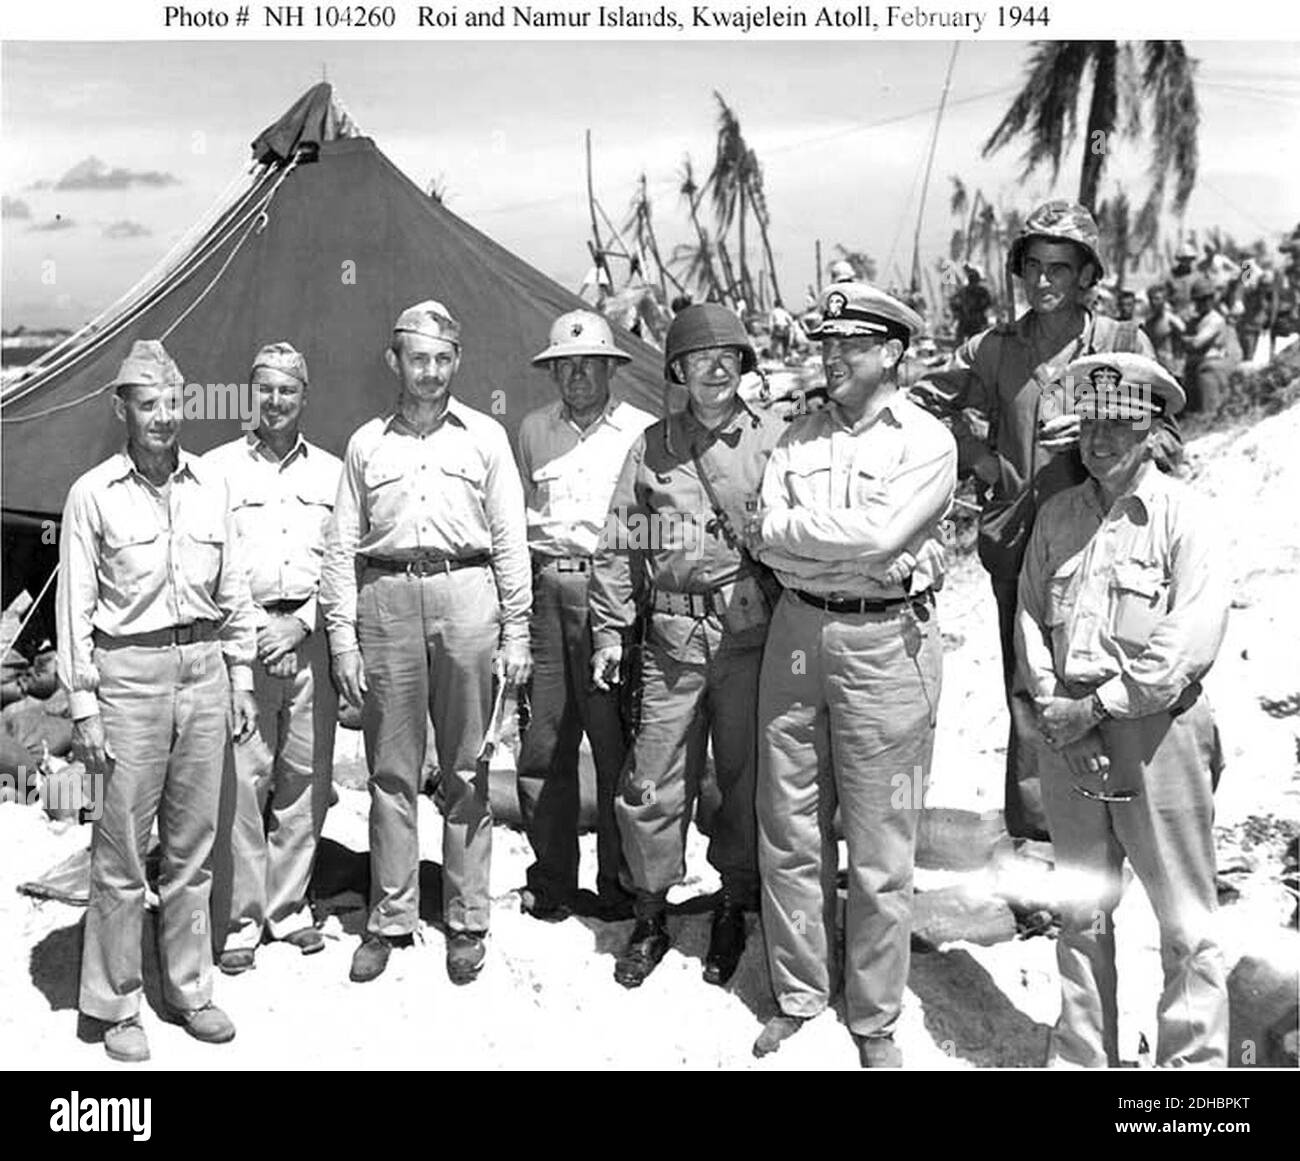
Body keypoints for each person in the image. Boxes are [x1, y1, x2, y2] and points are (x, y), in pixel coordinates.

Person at [745, 283, 955, 1068]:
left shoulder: (926, 440)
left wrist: (801, 533)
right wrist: (819, 541)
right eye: (825, 344)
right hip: (796, 628)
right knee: (789, 822)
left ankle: (873, 1015)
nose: (830, 357)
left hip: (887, 642)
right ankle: (800, 993)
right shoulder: (797, 437)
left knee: (878, 843)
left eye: (849, 345)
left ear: (893, 351)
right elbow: (764, 540)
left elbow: (883, 533)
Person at [913, 200, 1153, 841]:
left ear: (1085, 276)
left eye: (1061, 268)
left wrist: (1106, 425)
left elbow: (1169, 435)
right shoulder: (993, 350)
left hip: (1113, 546)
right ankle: (1039, 838)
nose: (1045, 282)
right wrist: (981, 461)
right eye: (1034, 267)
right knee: (1030, 690)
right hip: (1022, 548)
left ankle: (1122, 830)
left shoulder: (1122, 345)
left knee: (1114, 681)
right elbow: (914, 407)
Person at [1016, 352, 1230, 1068]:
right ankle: (1081, 1057)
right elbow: (1028, 621)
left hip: (1156, 736)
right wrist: (1056, 711)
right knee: (1080, 913)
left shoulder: (1185, 516)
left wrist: (1096, 708)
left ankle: (1190, 1078)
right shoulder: (1056, 516)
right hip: (1067, 736)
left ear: (1153, 428)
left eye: (1120, 423)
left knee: (1187, 923)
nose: (1100, 439)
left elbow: (1186, 642)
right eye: (1090, 423)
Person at [319, 300, 532, 986]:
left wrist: (518, 628)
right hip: (386, 602)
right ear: (395, 362)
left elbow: (509, 538)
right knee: (391, 770)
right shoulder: (365, 446)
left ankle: (467, 919)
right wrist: (343, 638)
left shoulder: (486, 439)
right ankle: (390, 917)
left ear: (457, 363)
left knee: (468, 766)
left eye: (443, 359)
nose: (431, 372)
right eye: (418, 358)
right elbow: (341, 547)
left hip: (468, 597)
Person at [56, 340, 257, 1063]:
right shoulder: (92, 494)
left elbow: (235, 592)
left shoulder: (212, 487)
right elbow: (75, 608)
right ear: (123, 410)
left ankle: (190, 988)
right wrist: (83, 705)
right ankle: (115, 1004)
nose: (164, 416)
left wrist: (240, 678)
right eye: (148, 404)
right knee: (118, 850)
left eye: (173, 402)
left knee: (193, 847)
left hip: (202, 668)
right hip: (128, 675)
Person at [589, 303, 784, 990]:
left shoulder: (773, 439)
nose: (717, 366)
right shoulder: (652, 447)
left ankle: (734, 901)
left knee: (744, 774)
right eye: (702, 358)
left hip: (748, 638)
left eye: (729, 355)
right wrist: (611, 631)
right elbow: (619, 543)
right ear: (676, 369)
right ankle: (649, 911)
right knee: (650, 779)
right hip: (670, 640)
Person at [202, 342, 342, 974]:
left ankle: (288, 913)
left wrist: (302, 626)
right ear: (249, 393)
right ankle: (238, 921)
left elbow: (346, 565)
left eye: (288, 390)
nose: (276, 401)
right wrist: (262, 631)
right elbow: (215, 565)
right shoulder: (216, 470)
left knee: (304, 782)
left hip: (310, 639)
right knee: (241, 784)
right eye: (265, 389)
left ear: (305, 396)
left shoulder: (334, 473)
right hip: (245, 644)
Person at [515, 311, 655, 923]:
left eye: (588, 364)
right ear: (552, 372)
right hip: (549, 588)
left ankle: (619, 883)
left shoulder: (642, 432)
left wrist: (627, 615)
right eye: (564, 366)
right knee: (545, 742)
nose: (575, 375)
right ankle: (551, 880)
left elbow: (652, 527)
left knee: (615, 745)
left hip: (612, 595)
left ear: (610, 369)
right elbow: (519, 522)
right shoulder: (531, 431)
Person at [1182, 276, 1236, 416]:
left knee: (1209, 412)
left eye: (1206, 299)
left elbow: (1196, 343)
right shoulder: (1197, 319)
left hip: (1209, 367)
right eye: (1199, 300)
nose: (1203, 303)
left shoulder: (1215, 320)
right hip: (1194, 368)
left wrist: (1183, 339)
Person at [1141, 284, 1185, 378]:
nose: (1154, 302)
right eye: (1151, 299)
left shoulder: (1171, 320)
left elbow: (1184, 338)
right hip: (1155, 365)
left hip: (1171, 367)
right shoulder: (1149, 323)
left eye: (1157, 299)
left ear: (1164, 300)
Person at [951, 265, 993, 342]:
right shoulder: (964, 292)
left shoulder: (981, 292)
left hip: (975, 321)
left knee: (976, 342)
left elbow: (988, 302)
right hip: (969, 321)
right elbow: (954, 304)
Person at [1165, 242, 1199, 322]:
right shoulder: (1170, 276)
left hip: (1193, 314)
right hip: (1174, 314)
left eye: (1189, 259)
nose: (1187, 262)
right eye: (1184, 259)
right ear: (1179, 259)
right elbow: (1164, 295)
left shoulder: (1197, 276)